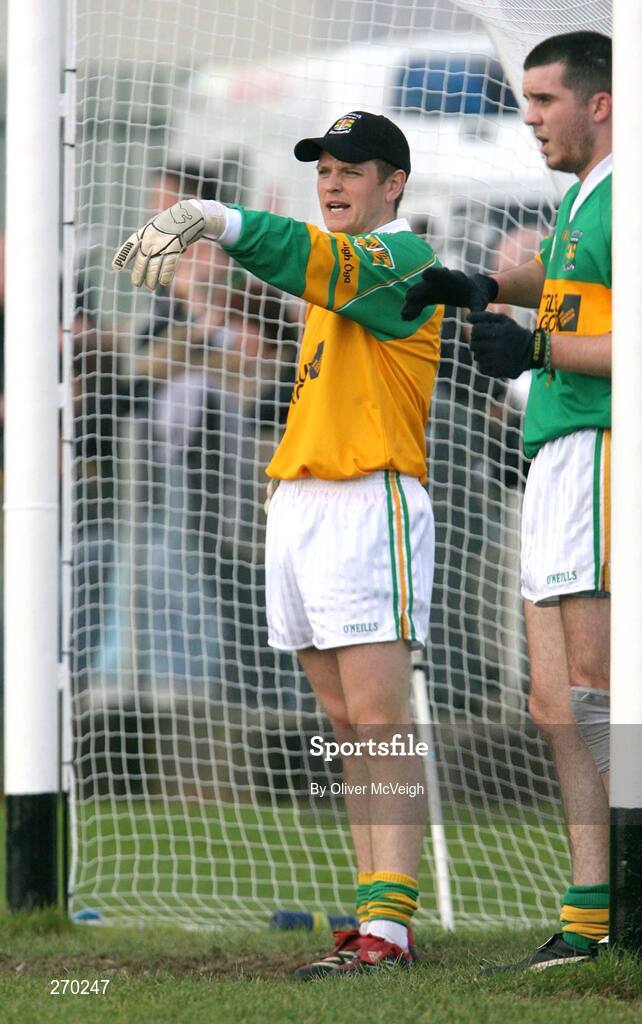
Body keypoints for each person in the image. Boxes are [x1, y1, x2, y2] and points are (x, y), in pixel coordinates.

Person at [113, 110, 443, 976]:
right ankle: (376, 912)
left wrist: (209, 217)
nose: (332, 183)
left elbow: (307, 257)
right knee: (343, 722)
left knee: (378, 724)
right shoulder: (336, 271)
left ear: (393, 184)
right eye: (323, 169)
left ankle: (390, 928)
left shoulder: (403, 259)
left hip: (368, 500)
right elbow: (304, 271)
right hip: (302, 502)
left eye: (351, 169)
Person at [404, 31, 616, 970]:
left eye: (541, 100)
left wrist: (537, 351)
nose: (526, 119)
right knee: (552, 703)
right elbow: (570, 287)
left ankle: (635, 908)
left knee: (600, 697)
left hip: (607, 452)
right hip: (555, 453)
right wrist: (487, 282)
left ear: (599, 102)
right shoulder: (580, 198)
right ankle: (588, 919)